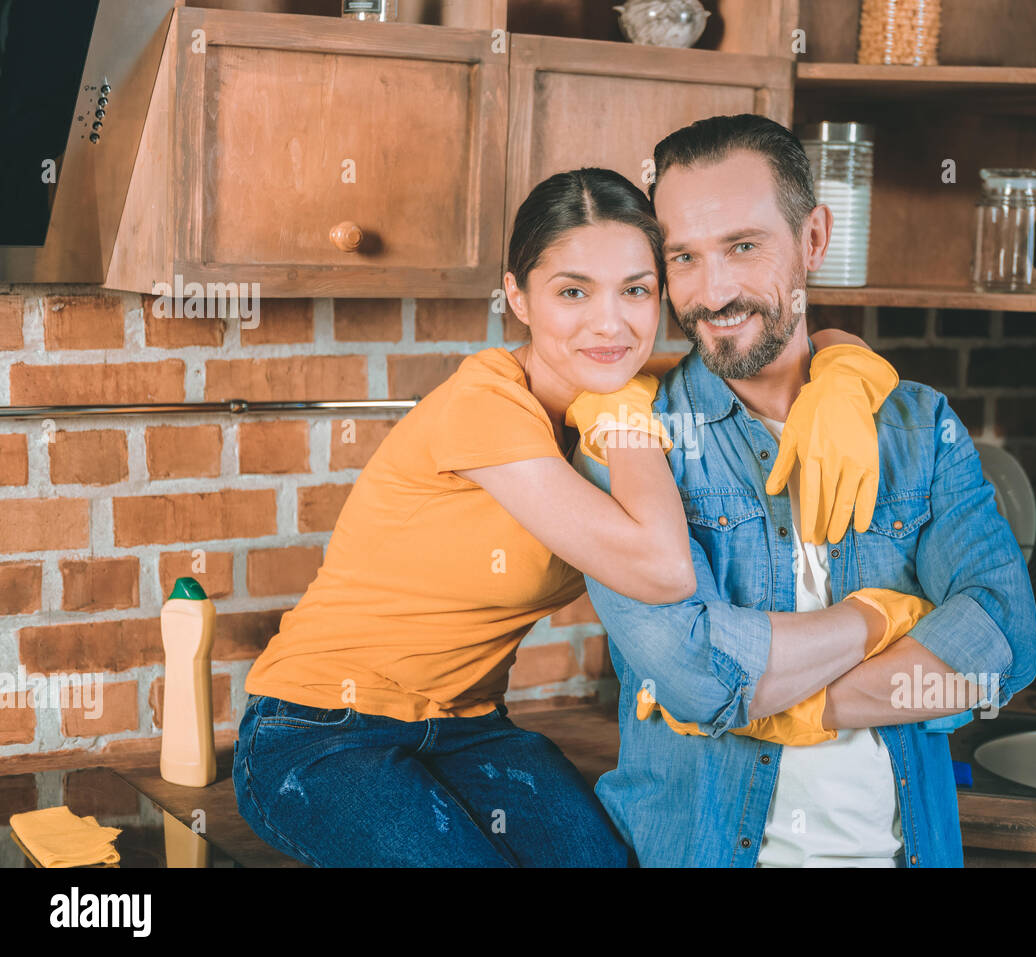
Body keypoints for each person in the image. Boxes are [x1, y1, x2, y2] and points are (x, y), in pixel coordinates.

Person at [230, 165, 884, 867]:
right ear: (518, 296)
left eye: (635, 290)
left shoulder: (613, 382)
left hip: (468, 726)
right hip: (318, 729)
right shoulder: (491, 404)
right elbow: (662, 569)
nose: (609, 322)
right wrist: (624, 418)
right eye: (573, 291)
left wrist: (844, 376)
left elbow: (798, 344)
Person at [570, 113, 1036, 868]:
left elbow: (1002, 646)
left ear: (814, 240)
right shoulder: (629, 442)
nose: (713, 291)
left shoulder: (919, 428)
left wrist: (790, 703)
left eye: (744, 246)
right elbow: (695, 678)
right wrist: (877, 620)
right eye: (683, 257)